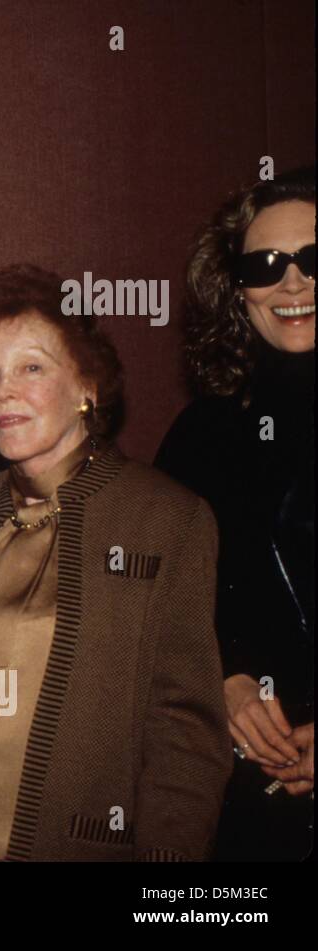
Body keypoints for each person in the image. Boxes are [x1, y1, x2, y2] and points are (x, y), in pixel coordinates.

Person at [0, 263, 231, 861]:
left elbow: (184, 732)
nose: (3, 391)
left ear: (87, 385)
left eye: (31, 367)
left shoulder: (168, 520)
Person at [155, 166, 315, 861]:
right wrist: (224, 678)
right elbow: (155, 600)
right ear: (236, 288)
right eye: (266, 264)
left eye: (314, 259)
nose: (293, 283)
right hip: (248, 801)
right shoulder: (201, 436)